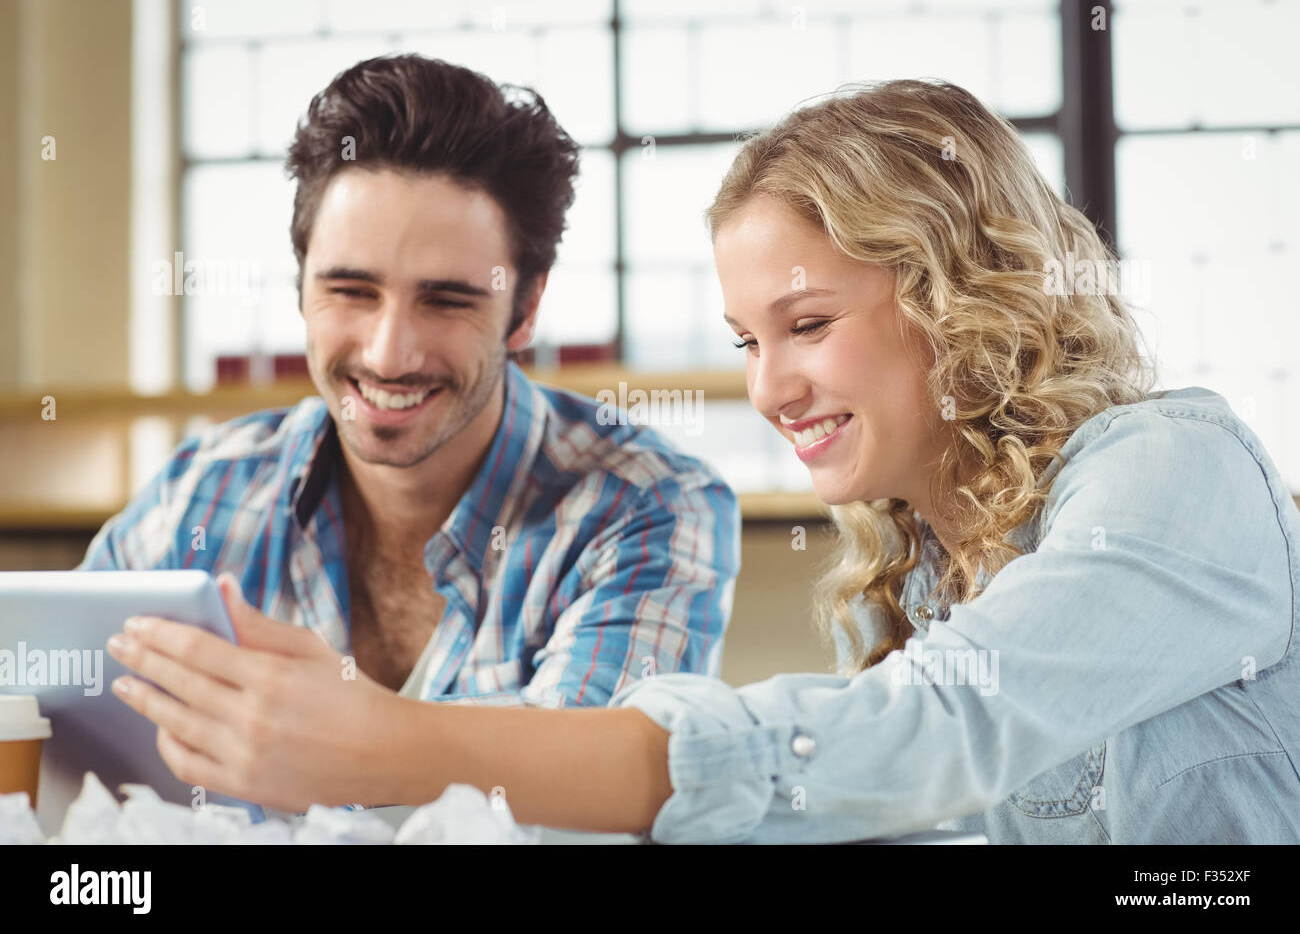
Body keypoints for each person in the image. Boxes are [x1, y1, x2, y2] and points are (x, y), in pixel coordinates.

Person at [108, 79, 1300, 843]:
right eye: (747, 341)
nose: (767, 388)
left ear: (958, 297)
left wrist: (393, 744)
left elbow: (926, 732)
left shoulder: (1171, 473)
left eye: (809, 324)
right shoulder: (918, 566)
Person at [84, 53, 740, 720]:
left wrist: (337, 734)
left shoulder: (644, 505)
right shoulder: (199, 492)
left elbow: (588, 799)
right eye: (350, 290)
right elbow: (46, 706)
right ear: (300, 285)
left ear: (526, 308)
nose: (388, 354)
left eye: (447, 301)